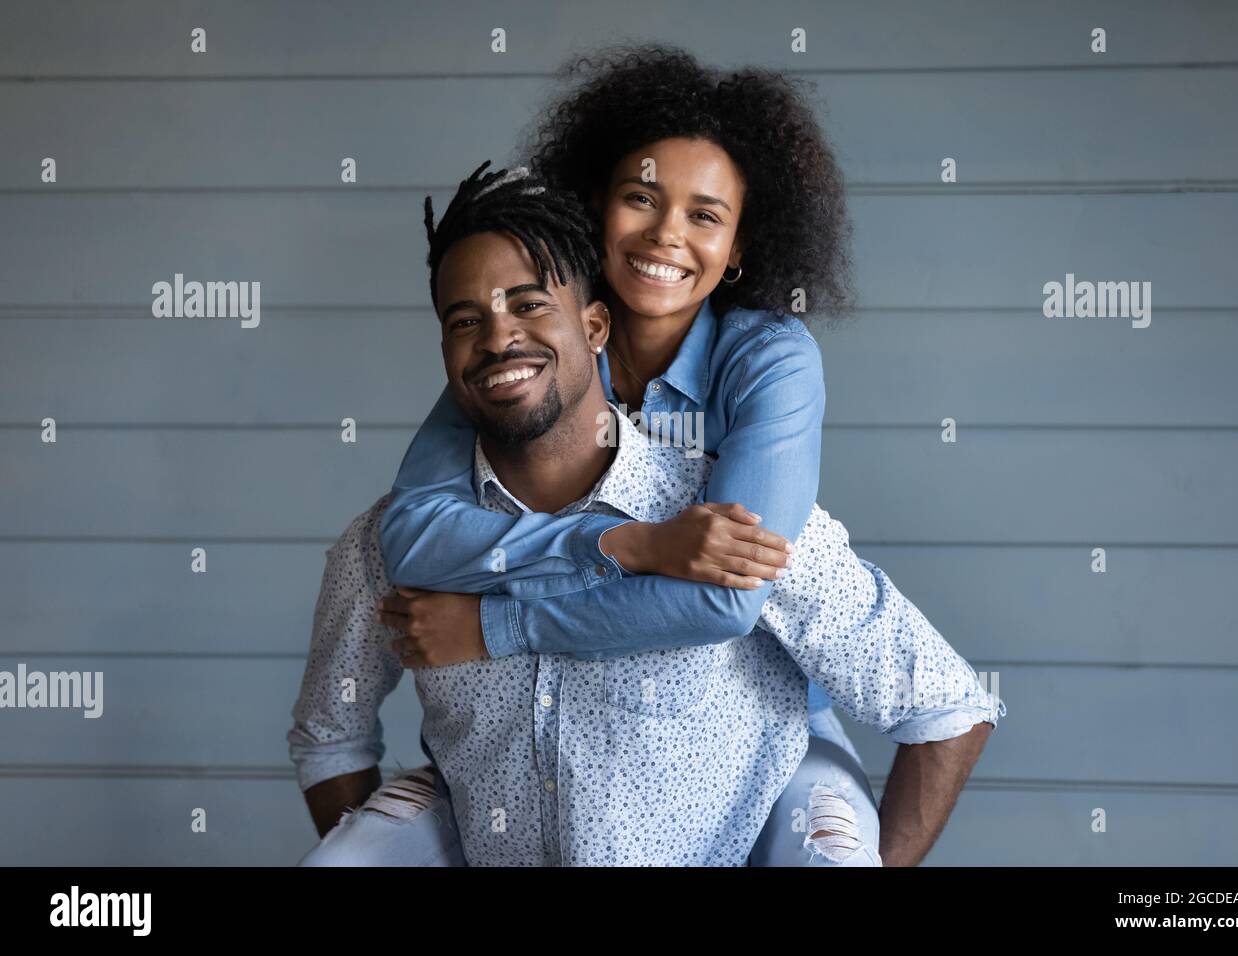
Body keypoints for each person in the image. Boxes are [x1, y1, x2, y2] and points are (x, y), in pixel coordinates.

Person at [288, 163, 1002, 866]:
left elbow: (945, 710)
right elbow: (331, 736)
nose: (499, 338)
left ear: (595, 326)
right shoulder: (385, 546)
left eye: (532, 304)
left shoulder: (727, 525)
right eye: (466, 319)